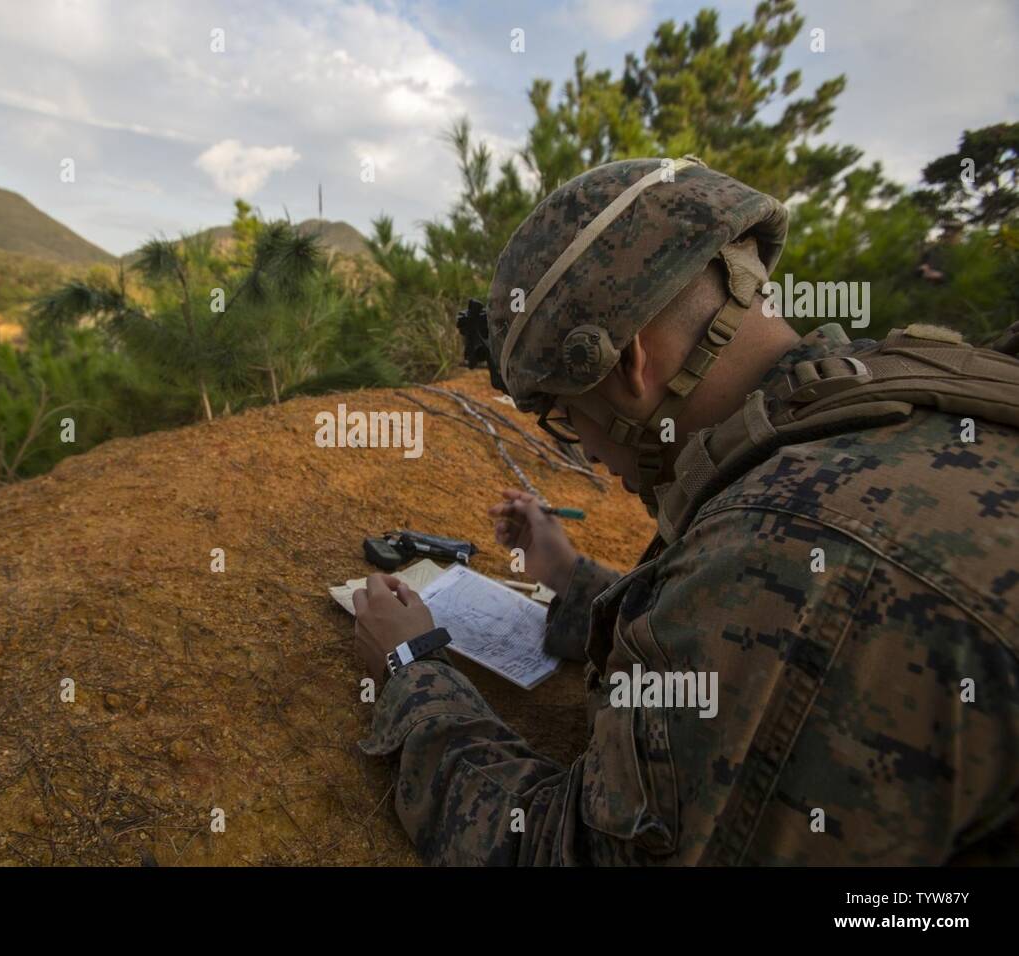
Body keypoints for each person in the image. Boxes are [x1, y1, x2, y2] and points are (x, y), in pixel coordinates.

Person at [350, 157, 1019, 865]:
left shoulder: (796, 545)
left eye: (570, 417)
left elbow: (562, 851)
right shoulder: (893, 403)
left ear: (630, 363)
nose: (590, 454)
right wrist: (574, 579)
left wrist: (411, 666)